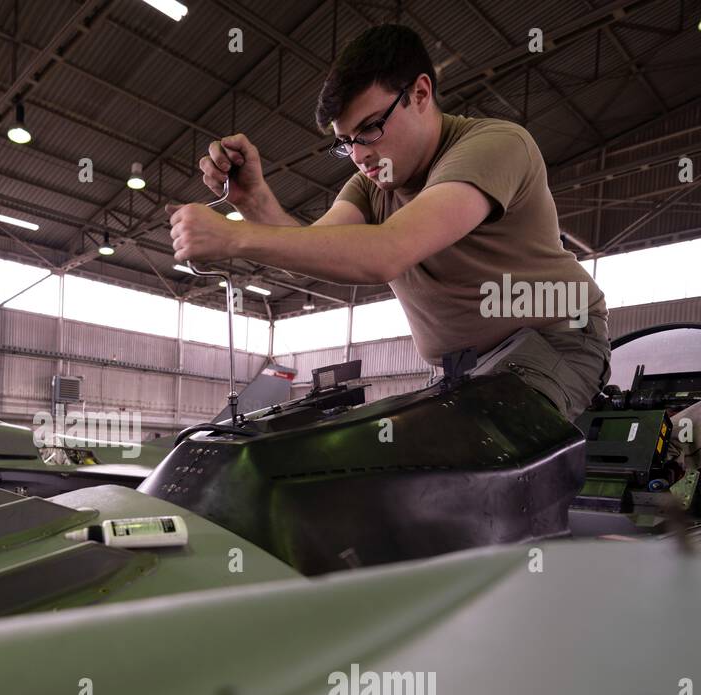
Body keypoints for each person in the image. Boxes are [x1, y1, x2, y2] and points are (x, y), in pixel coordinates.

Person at [167, 23, 610, 421]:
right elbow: (313, 247)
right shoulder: (375, 185)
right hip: (472, 367)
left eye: (371, 128)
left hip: (557, 342)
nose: (360, 155)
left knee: (450, 474)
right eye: (346, 143)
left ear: (420, 94)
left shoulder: (495, 145)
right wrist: (254, 203)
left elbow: (386, 253)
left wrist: (233, 237)